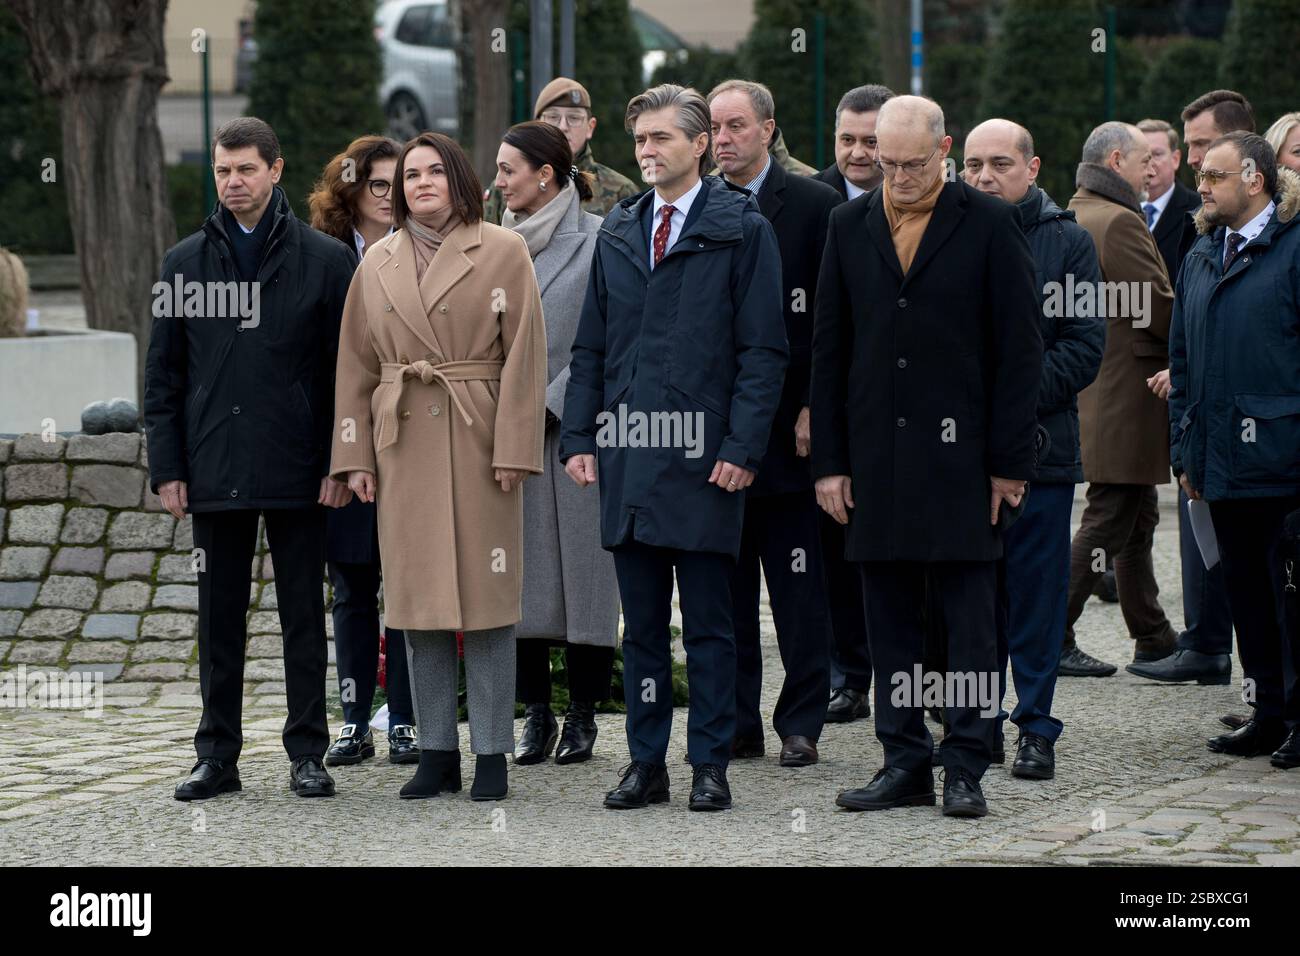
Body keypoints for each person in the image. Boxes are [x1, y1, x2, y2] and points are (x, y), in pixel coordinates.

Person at [812, 95, 1042, 818]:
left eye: (917, 163)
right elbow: (828, 352)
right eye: (889, 162)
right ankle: (904, 759)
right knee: (890, 621)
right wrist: (829, 462)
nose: (902, 176)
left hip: (964, 466)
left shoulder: (992, 224)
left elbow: (1019, 353)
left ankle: (967, 760)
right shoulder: (846, 224)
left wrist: (1010, 463)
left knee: (970, 626)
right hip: (876, 465)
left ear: (944, 149)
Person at [560, 84, 787, 812]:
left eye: (663, 138)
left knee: (714, 628)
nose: (649, 151)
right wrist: (580, 436)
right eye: (641, 140)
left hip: (706, 462)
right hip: (628, 456)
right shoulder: (620, 231)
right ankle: (646, 763)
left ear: (698, 146)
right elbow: (590, 345)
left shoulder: (741, 230)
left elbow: (763, 352)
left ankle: (710, 764)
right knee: (644, 632)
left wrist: (742, 447)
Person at [330, 132, 547, 802]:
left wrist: (515, 448)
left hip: (478, 435)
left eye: (433, 172)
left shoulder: (503, 248)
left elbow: (526, 357)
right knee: (416, 606)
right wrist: (353, 457)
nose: (420, 183)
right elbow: (356, 366)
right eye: (410, 176)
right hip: (403, 444)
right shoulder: (377, 261)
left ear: (459, 179)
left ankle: (490, 755)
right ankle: (434, 751)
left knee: (486, 604)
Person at [145, 117, 357, 801]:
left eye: (245, 169)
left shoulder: (325, 262)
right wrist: (168, 467)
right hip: (214, 463)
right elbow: (164, 377)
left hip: (299, 466)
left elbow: (345, 373)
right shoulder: (183, 264)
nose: (232, 182)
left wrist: (338, 460)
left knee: (303, 613)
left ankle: (307, 752)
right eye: (222, 171)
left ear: (276, 169)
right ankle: (217, 756)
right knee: (218, 616)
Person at [961, 118, 1105, 779]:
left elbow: (1082, 348)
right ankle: (976, 727)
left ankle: (1036, 727)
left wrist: (1005, 400)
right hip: (958, 458)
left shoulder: (1069, 243)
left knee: (1036, 599)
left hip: (1040, 456)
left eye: (998, 164)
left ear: (1032, 168)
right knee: (970, 603)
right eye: (972, 164)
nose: (984, 176)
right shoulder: (948, 234)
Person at [708, 79, 841, 767]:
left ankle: (801, 722)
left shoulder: (815, 205)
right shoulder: (697, 207)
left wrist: (819, 404)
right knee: (725, 590)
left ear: (767, 129)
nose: (724, 138)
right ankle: (737, 723)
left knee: (797, 587)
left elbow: (832, 319)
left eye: (736, 126)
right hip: (718, 431)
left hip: (791, 429)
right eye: (715, 127)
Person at [1170, 132, 1300, 766]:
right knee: (1247, 592)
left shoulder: (1292, 247)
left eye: (1214, 175)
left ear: (1255, 178)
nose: (1202, 185)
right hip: (1220, 463)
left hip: (1284, 460)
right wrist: (1185, 450)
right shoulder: (1200, 253)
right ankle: (1269, 711)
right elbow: (1183, 362)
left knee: (1292, 597)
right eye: (1200, 174)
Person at [492, 121, 620, 766]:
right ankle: (535, 713)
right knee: (522, 580)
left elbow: (612, 336)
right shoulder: (494, 247)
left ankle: (583, 713)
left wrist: (548, 402)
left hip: (575, 435)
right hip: (506, 439)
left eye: (509, 168)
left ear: (545, 173)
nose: (497, 181)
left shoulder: (601, 241)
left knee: (585, 581)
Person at [307, 134, 419, 767]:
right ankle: (353, 719)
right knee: (351, 585)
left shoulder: (425, 250)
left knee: (406, 584)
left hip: (415, 440)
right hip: (345, 444)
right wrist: (336, 455)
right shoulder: (324, 259)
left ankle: (401, 716)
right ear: (349, 189)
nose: (389, 195)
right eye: (376, 183)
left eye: (397, 182)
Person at [1062, 122, 1177, 677]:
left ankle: (1152, 636)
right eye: (1142, 161)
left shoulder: (1078, 212)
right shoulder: (1119, 222)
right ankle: (1051, 632)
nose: (1150, 169)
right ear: (1115, 161)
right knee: (1109, 517)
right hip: (1127, 395)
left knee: (1137, 515)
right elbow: (1157, 306)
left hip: (1103, 392)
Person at [1127, 118, 1236, 689]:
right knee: (1159, 518)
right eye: (1191, 147)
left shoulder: (1208, 221)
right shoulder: (1207, 234)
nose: (1195, 163)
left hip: (1246, 422)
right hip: (1172, 396)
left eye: (1201, 148)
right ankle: (1199, 641)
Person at [813, 85, 896, 721]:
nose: (859, 152)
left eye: (872, 141)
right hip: (834, 404)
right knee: (836, 551)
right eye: (848, 139)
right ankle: (849, 674)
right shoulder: (816, 203)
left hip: (911, 413)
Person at [483, 77, 638, 224]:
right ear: (538, 124)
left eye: (574, 118)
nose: (563, 126)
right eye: (553, 117)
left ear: (590, 127)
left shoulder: (620, 190)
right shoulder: (505, 189)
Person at [814, 84, 894, 201]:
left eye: (871, 142)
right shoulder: (804, 198)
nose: (857, 154)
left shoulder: (920, 198)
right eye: (847, 140)